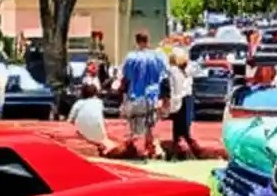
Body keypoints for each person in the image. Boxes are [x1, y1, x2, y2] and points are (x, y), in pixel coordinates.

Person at [120, 30, 168, 160]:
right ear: (148, 40)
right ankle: (152, 149)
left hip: (135, 95)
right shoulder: (157, 57)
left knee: (135, 125)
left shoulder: (131, 57)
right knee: (150, 125)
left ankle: (139, 151)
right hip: (152, 96)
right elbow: (165, 75)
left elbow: (125, 76)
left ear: (136, 41)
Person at [166, 50, 200, 159]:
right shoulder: (176, 71)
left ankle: (181, 151)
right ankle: (182, 151)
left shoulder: (182, 70)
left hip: (182, 99)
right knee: (181, 128)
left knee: (181, 128)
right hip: (182, 99)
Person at [69, 83, 115, 156]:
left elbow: (70, 120)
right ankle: (107, 147)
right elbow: (99, 117)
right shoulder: (99, 102)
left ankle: (104, 146)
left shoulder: (78, 103)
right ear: (95, 93)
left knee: (95, 136)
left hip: (82, 130)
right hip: (98, 129)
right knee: (103, 137)